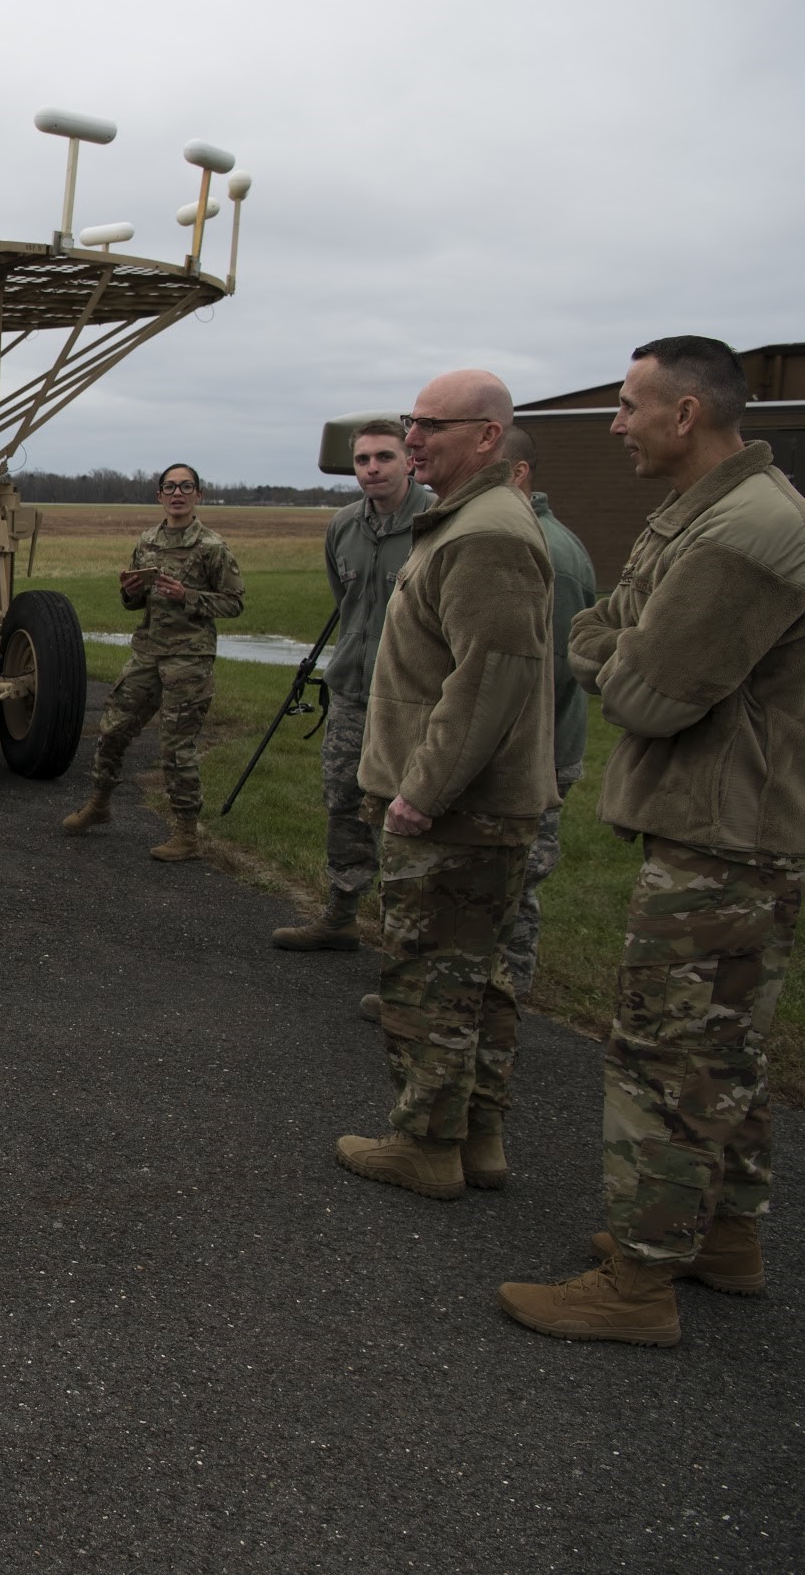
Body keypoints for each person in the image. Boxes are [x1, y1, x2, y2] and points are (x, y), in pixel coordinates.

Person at [500, 336, 805, 1346]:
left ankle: (637, 1284)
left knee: (666, 1061)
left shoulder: (743, 533)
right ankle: (721, 1238)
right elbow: (608, 621)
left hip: (725, 843)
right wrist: (612, 642)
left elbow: (645, 695)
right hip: (724, 831)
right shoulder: (704, 512)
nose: (615, 423)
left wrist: (609, 652)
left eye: (630, 406)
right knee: (722, 1051)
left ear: (686, 414)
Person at [335, 370, 556, 1202]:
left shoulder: (486, 532)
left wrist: (422, 792)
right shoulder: (470, 520)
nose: (413, 438)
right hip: (475, 805)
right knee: (477, 979)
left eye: (432, 425)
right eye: (411, 422)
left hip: (458, 810)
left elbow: (490, 678)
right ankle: (478, 1137)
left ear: (488, 436)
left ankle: (425, 1144)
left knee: (428, 976)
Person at [274, 422, 432, 951]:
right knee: (343, 804)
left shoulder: (436, 524)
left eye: (384, 456)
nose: (372, 468)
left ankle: (404, 945)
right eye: (363, 459)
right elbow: (346, 602)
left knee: (408, 817)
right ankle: (340, 917)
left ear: (410, 461)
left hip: (411, 701)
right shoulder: (343, 526)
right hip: (350, 695)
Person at [61, 462, 245, 860]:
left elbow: (234, 603)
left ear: (199, 495)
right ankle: (99, 804)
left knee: (177, 747)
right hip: (147, 653)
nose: (178, 494)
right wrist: (129, 591)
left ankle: (186, 835)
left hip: (188, 661)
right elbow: (136, 602)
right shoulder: (147, 541)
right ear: (159, 495)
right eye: (170, 487)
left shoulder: (211, 546)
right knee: (113, 729)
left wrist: (187, 596)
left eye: (186, 487)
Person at [496, 424, 597, 1002]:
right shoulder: (512, 536)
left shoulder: (544, 550)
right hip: (512, 748)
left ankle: (502, 1002)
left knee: (515, 882)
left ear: (518, 474)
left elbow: (552, 670)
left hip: (536, 754)